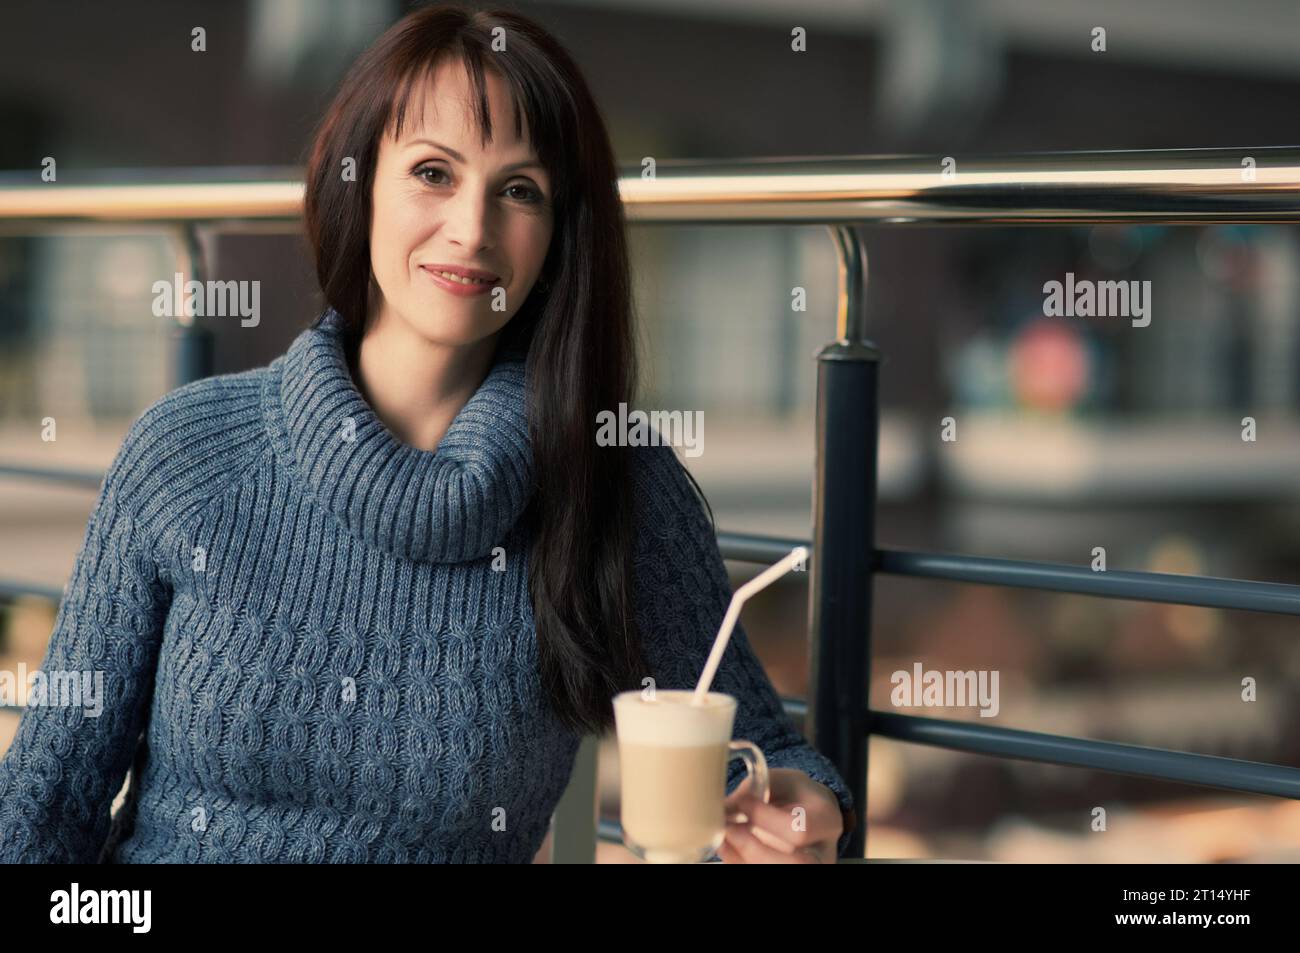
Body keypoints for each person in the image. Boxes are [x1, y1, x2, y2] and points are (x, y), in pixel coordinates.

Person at [0, 3, 854, 864]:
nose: (471, 229)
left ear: (560, 237)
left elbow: (760, 754)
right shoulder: (181, 453)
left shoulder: (612, 480)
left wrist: (797, 815)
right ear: (360, 182)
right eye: (433, 173)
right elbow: (44, 799)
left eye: (520, 190)